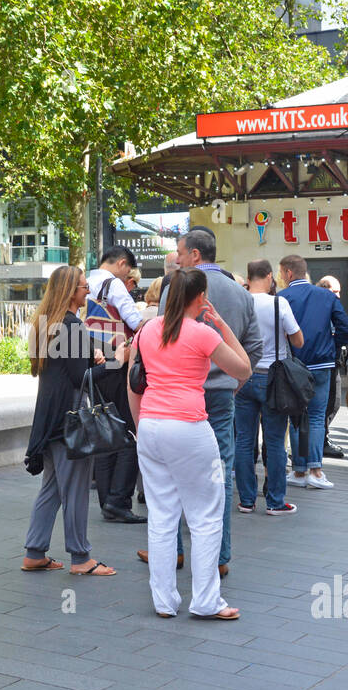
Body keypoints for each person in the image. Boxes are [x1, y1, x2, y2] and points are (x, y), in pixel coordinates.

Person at [128, 268, 250, 619]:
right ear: (201, 297)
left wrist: (142, 427)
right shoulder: (202, 333)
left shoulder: (148, 330)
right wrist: (223, 325)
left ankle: (164, 602)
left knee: (162, 517)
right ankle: (206, 600)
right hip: (190, 428)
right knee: (206, 517)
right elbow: (242, 369)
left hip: (151, 426)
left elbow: (133, 382)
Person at [149, 228, 261, 577]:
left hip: (176, 399)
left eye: (181, 253)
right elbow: (254, 347)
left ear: (196, 255)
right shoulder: (241, 294)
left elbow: (159, 337)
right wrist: (234, 381)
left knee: (173, 477)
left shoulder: (174, 287)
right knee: (220, 473)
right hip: (221, 395)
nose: (178, 259)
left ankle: (177, 553)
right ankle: (220, 555)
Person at [22, 266, 126, 575]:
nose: (88, 292)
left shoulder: (44, 325)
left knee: (52, 488)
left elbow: (61, 372)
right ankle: (81, 558)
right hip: (72, 421)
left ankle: (35, 551)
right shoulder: (72, 327)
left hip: (49, 418)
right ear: (70, 292)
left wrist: (89, 358)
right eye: (83, 287)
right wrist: (114, 361)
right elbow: (81, 379)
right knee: (76, 489)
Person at [233, 260, 303, 514]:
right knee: (274, 442)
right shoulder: (278, 303)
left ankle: (246, 500)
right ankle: (274, 501)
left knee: (243, 440)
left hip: (243, 376)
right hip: (273, 379)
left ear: (249, 277)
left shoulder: (240, 301)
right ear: (270, 276)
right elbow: (298, 339)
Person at [281, 255, 348, 487]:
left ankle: (299, 471)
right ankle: (316, 471)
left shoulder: (281, 297)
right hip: (322, 364)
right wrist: (331, 348)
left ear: (289, 273)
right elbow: (344, 327)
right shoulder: (325, 296)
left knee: (297, 418)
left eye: (282, 273)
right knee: (317, 417)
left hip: (293, 366)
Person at [87, 245, 144, 524]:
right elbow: (135, 321)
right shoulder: (114, 285)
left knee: (105, 426)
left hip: (90, 360)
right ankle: (119, 500)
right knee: (130, 430)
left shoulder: (85, 282)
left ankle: (107, 499)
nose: (127, 276)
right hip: (116, 359)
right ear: (121, 264)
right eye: (128, 271)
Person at [315, 275, 347, 459]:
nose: (339, 296)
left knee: (332, 403)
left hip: (329, 359)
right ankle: (319, 442)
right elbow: (344, 329)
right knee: (324, 404)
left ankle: (322, 439)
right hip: (324, 361)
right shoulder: (322, 305)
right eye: (335, 291)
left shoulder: (328, 305)